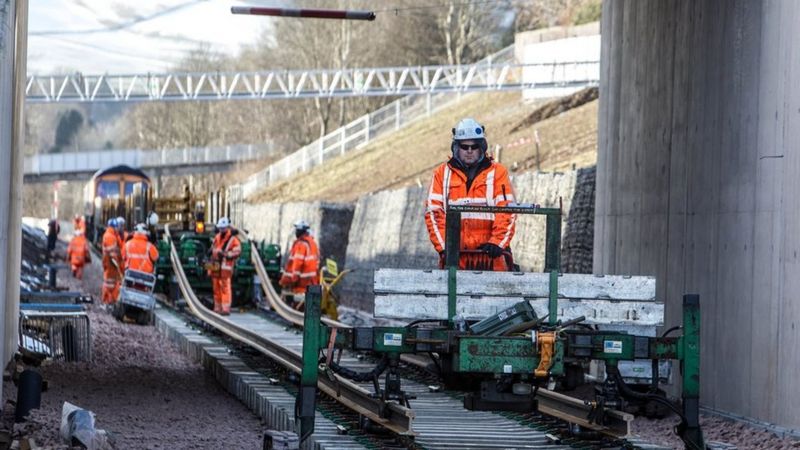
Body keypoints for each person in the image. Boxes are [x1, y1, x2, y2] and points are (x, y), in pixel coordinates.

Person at [424, 118, 516, 271]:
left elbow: (507, 210)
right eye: (464, 146)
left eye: (474, 146)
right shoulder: (441, 174)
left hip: (491, 258)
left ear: (481, 147)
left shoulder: (498, 173)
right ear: (456, 147)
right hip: (455, 259)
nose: (469, 151)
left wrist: (497, 243)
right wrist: (444, 248)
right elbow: (434, 214)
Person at [279, 220, 320, 307]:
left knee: (299, 307)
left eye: (297, 230)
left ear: (300, 231)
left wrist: (291, 281)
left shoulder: (301, 244)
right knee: (310, 310)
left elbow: (297, 264)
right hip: (312, 282)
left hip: (302, 283)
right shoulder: (313, 243)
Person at [209, 217, 241, 315]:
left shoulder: (233, 239)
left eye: (223, 228)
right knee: (216, 287)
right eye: (220, 228)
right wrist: (211, 252)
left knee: (225, 287)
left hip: (225, 267)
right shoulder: (217, 237)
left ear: (227, 227)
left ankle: (225, 308)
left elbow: (237, 251)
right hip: (216, 266)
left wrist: (226, 254)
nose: (221, 230)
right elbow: (214, 248)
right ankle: (217, 307)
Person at [101, 218, 123, 304]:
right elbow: (113, 254)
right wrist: (119, 267)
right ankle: (108, 301)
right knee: (110, 284)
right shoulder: (110, 237)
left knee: (110, 283)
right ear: (114, 227)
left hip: (109, 264)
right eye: (117, 227)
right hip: (111, 265)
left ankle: (109, 301)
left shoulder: (110, 235)